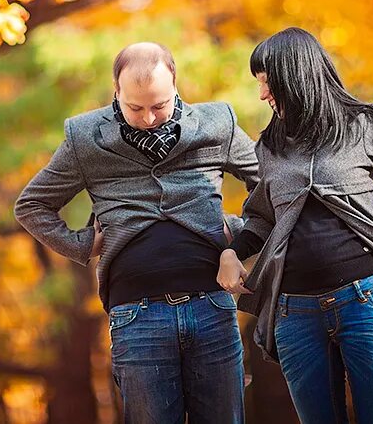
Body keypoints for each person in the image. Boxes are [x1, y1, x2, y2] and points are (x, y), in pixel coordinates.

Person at [217, 27, 373, 424]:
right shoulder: (268, 149)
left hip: (367, 302)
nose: (263, 95)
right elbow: (262, 217)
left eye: (267, 83)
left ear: (294, 76)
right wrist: (233, 250)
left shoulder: (365, 126)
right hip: (294, 315)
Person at [15, 42, 260, 424]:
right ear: (116, 91)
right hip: (137, 317)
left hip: (212, 306)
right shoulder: (85, 138)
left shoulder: (217, 123)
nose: (148, 118)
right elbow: (31, 205)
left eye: (159, 106)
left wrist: (239, 232)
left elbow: (270, 186)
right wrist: (83, 244)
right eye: (135, 107)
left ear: (176, 85)